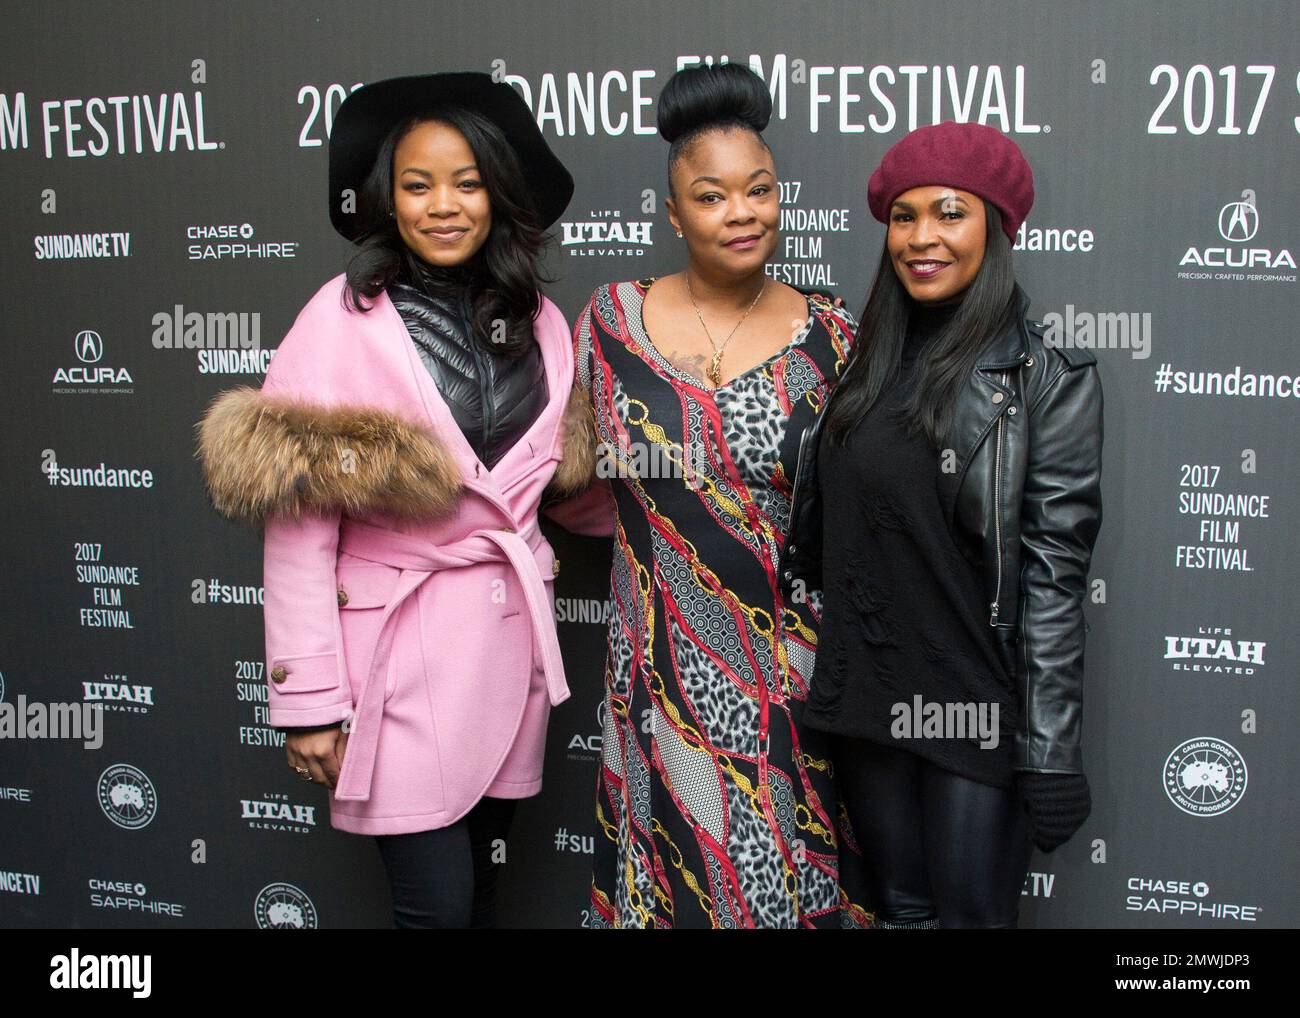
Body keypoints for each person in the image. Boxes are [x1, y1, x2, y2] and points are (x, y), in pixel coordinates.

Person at [195, 72, 596, 928]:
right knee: (435, 906)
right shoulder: (338, 321)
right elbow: (298, 528)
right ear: (386, 199)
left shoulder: (544, 323)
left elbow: (557, 491)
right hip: (395, 662)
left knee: (483, 889)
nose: (443, 205)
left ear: (499, 194)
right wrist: (307, 703)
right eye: (418, 185)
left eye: (467, 182)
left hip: (508, 653)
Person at [568, 62, 870, 928]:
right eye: (711, 197)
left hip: (787, 659)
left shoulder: (835, 333)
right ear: (673, 213)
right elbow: (568, 477)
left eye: (760, 190)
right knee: (663, 879)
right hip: (652, 654)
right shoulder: (611, 320)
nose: (741, 213)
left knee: (777, 875)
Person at [779, 120, 1103, 928]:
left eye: (950, 213)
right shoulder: (862, 358)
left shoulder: (1046, 376)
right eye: (904, 216)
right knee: (900, 913)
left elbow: (1053, 576)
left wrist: (1050, 751)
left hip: (973, 708)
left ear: (995, 228)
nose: (922, 238)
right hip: (869, 696)